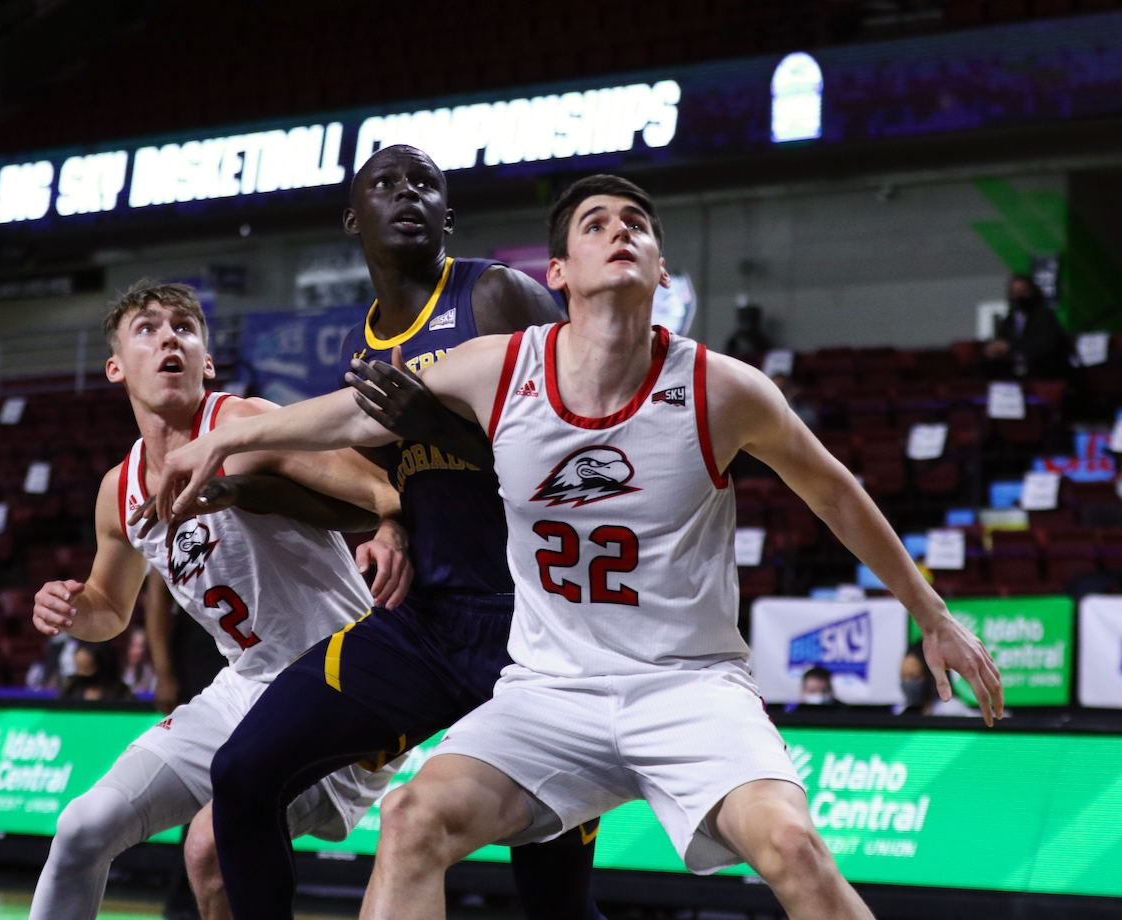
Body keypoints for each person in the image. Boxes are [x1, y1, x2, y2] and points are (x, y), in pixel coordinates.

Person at [154, 174, 1004, 920]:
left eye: (637, 222)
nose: (620, 230)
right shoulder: (501, 366)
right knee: (414, 823)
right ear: (556, 274)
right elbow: (350, 414)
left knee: (794, 851)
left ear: (662, 268)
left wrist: (933, 615)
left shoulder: (720, 387)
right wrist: (217, 444)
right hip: (548, 689)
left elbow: (835, 492)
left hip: (687, 686)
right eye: (594, 223)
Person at [200, 144, 605, 920]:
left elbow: (583, 447)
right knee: (242, 773)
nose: (407, 193)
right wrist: (261, 494)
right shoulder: (365, 349)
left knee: (555, 903)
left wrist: (439, 431)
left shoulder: (496, 297)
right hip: (424, 626)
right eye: (386, 183)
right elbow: (390, 492)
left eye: (425, 183)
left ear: (448, 215)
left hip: (537, 635)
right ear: (355, 219)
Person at [27, 279, 412, 920]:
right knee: (82, 829)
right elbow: (109, 610)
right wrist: (71, 610)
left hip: (346, 684)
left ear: (206, 361)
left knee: (211, 847)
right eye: (147, 328)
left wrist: (392, 529)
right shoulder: (115, 490)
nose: (168, 337)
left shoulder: (242, 423)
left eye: (184, 327)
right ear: (116, 366)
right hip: (247, 687)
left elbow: (382, 489)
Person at [982, 274, 1071, 379]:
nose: (1017, 297)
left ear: (1032, 292)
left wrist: (1011, 346)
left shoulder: (1044, 315)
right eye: (1014, 293)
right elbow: (1002, 337)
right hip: (1014, 368)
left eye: (1021, 292)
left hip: (1042, 370)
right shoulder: (1011, 318)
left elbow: (1044, 344)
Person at [896, 642, 977, 717]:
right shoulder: (904, 711)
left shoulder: (950, 710)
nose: (907, 683)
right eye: (903, 677)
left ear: (934, 676)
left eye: (914, 677)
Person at [58, 641, 136, 702]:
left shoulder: (121, 694)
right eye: (78, 668)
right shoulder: (70, 691)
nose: (80, 674)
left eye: (86, 669)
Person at [121, 626, 157, 697]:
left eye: (140, 646)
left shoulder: (149, 672)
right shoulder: (117, 669)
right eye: (133, 645)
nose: (136, 651)